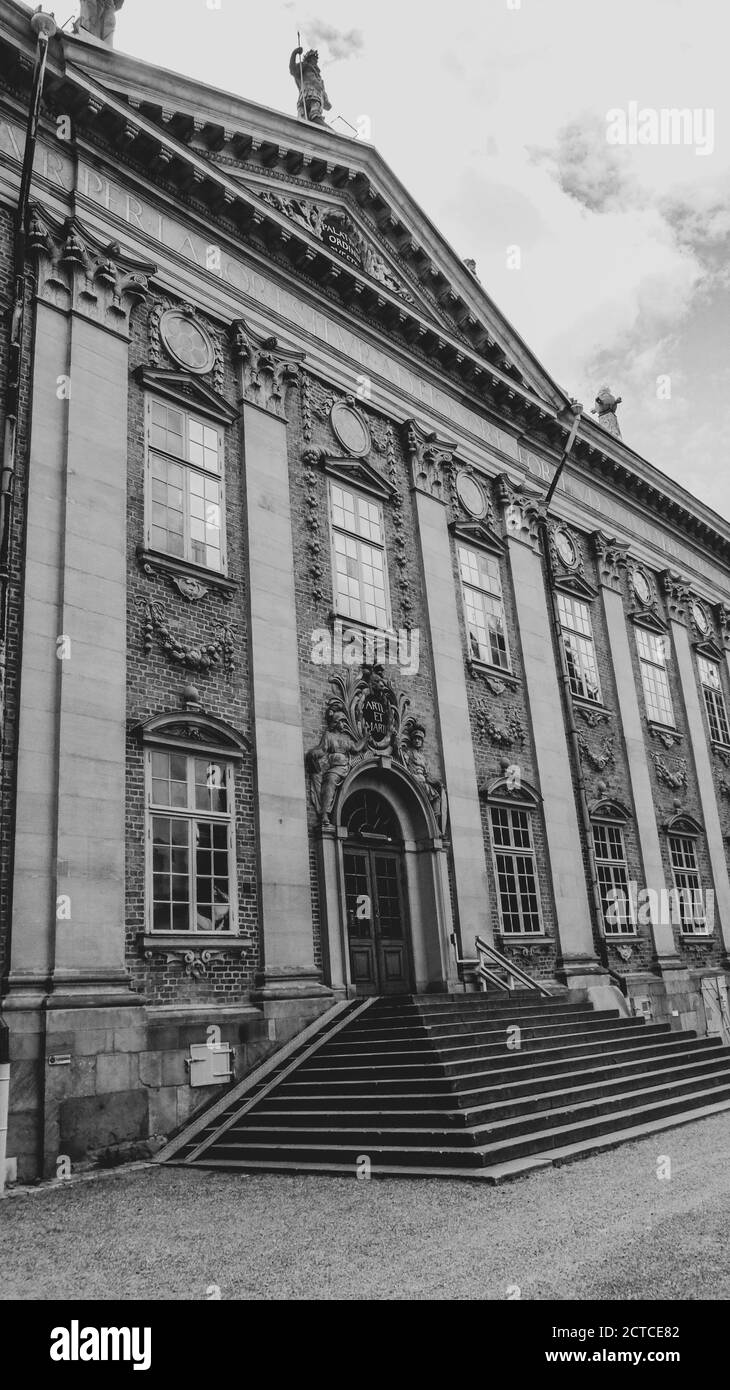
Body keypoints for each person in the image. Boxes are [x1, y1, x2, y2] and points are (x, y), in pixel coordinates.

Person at [289, 47, 332, 125]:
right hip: (307, 95)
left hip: (316, 97)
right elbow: (293, 70)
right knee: (308, 115)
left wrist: (326, 102)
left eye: (316, 60)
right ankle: (316, 120)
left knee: (306, 119)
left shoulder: (319, 78)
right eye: (313, 59)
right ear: (309, 59)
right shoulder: (305, 66)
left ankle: (315, 122)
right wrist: (294, 53)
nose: (315, 62)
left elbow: (322, 91)